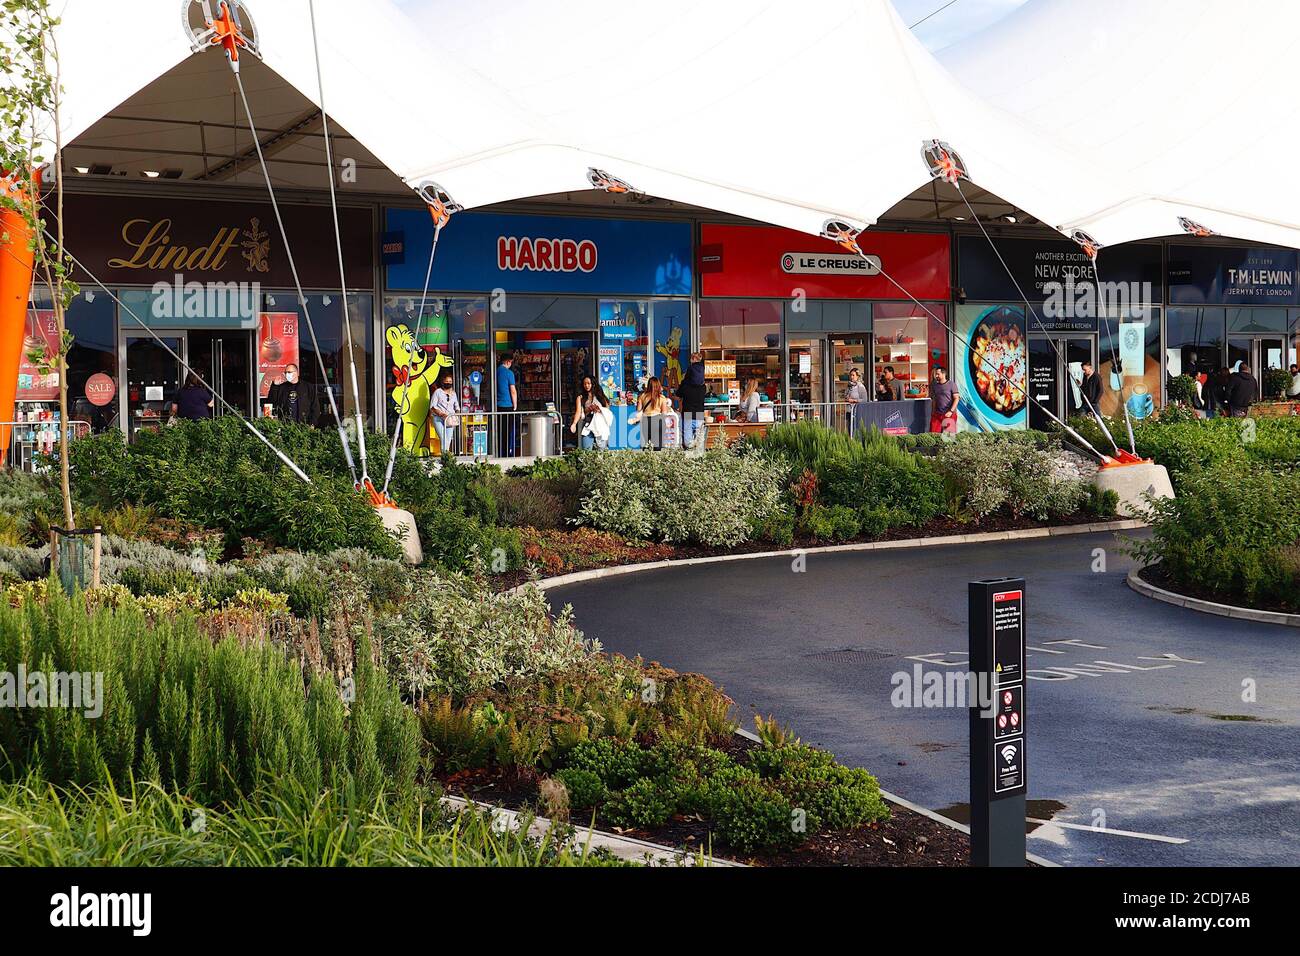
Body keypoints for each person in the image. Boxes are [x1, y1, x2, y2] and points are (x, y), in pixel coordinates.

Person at [631, 375, 674, 449]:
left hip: (646, 421)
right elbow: (664, 413)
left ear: (649, 385)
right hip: (658, 420)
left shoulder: (642, 396)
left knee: (647, 444)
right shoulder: (662, 397)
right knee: (657, 446)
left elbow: (638, 410)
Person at [675, 352, 707, 448]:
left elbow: (678, 394)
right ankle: (698, 455)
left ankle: (689, 453)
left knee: (688, 440)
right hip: (699, 412)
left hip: (688, 411)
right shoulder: (703, 386)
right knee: (699, 440)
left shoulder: (686, 385)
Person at [570, 375, 611, 450]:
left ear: (593, 384)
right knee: (586, 449)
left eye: (588, 383)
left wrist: (599, 409)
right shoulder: (580, 397)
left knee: (601, 450)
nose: (586, 386)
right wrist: (574, 423)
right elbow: (578, 412)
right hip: (588, 425)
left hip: (600, 426)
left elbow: (607, 409)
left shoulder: (600, 396)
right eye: (585, 384)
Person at [430, 371, 460, 455]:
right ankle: (445, 456)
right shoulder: (438, 392)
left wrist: (456, 415)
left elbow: (457, 406)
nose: (448, 383)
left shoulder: (453, 394)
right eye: (446, 381)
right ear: (443, 382)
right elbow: (432, 406)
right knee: (443, 437)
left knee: (448, 438)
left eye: (450, 381)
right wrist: (441, 414)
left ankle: (445, 456)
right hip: (438, 418)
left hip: (450, 419)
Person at [495, 353, 518, 457]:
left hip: (497, 406)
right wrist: (515, 405)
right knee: (507, 432)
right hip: (507, 405)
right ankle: (506, 454)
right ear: (508, 362)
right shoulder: (509, 373)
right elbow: (513, 391)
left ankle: (498, 452)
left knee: (499, 431)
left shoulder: (495, 371)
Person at [929, 366, 959, 433]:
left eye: (938, 374)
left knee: (948, 436)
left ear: (944, 374)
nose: (936, 376)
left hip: (949, 414)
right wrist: (933, 412)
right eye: (936, 374)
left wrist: (951, 411)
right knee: (934, 435)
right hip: (937, 415)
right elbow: (934, 399)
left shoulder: (951, 384)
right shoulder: (935, 386)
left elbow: (956, 398)